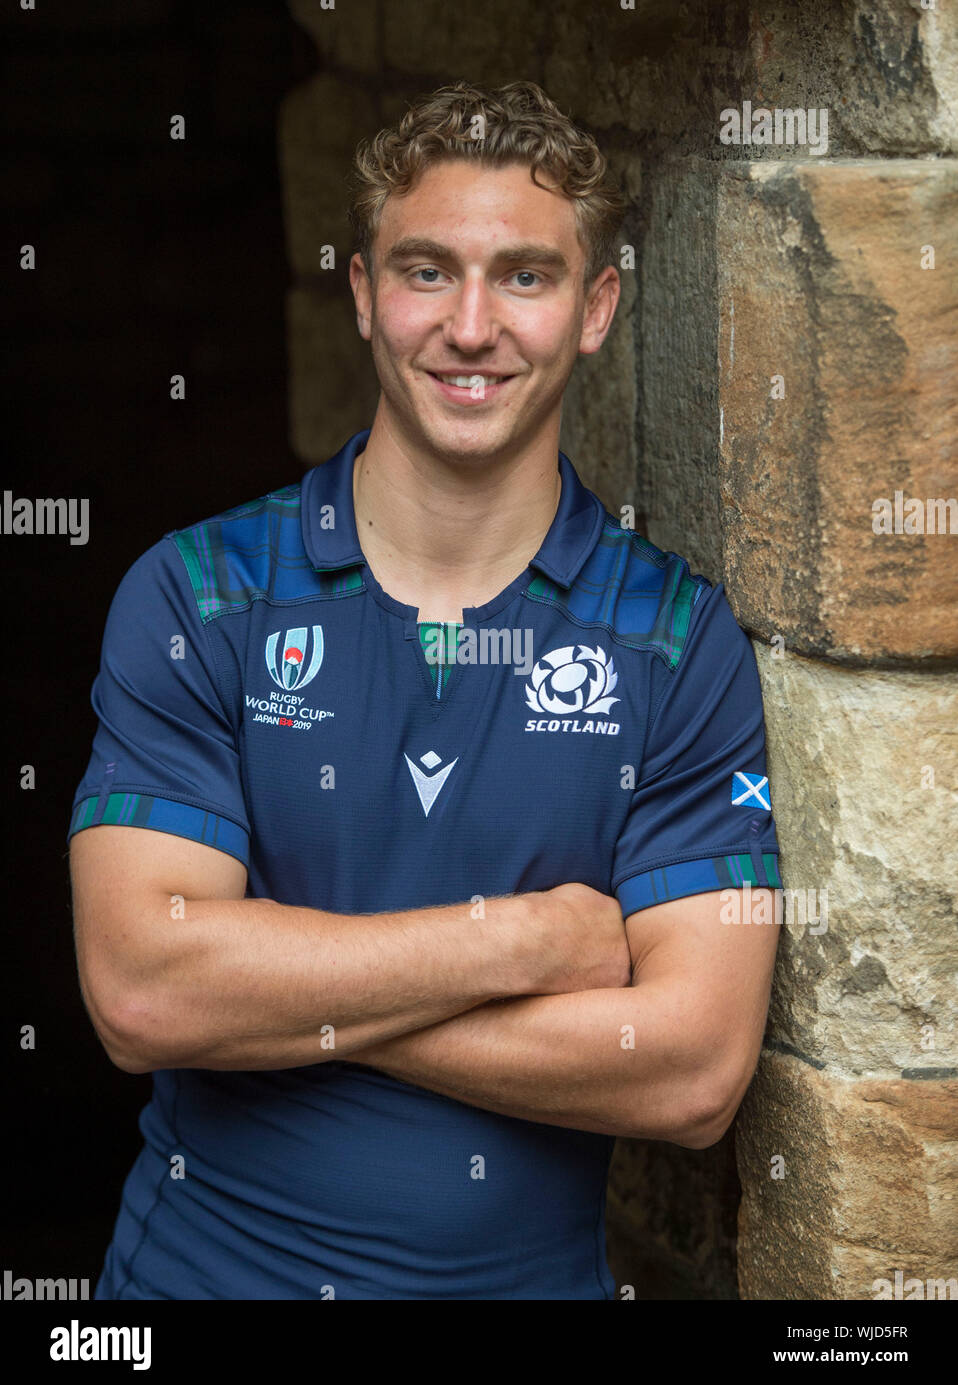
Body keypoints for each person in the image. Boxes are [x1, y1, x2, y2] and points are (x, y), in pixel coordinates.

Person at [67, 79, 782, 1300]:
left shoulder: (676, 639)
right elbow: (142, 989)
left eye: (523, 275)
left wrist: (284, 1010)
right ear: (360, 292)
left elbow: (689, 1072)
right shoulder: (204, 593)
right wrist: (523, 941)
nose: (469, 325)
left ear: (595, 307)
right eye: (424, 270)